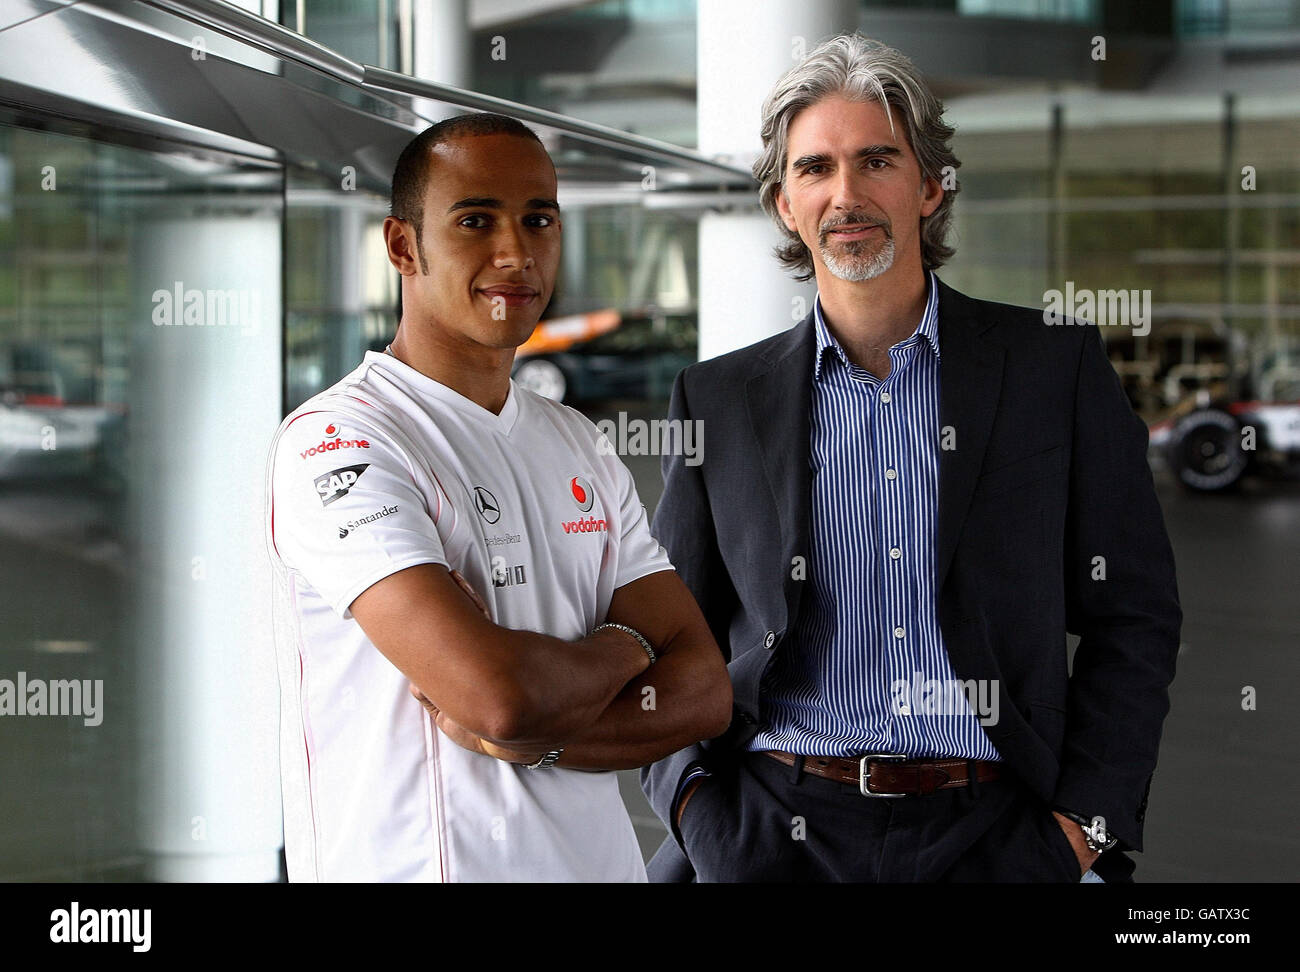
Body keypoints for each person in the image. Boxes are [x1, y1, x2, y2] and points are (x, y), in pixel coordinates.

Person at [640, 34, 1181, 883]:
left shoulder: (1053, 368)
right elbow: (666, 638)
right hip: (772, 834)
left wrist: (1082, 832)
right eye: (815, 168)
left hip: (998, 835)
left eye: (877, 161)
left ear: (931, 186)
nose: (845, 194)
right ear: (786, 203)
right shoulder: (714, 402)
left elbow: (1134, 617)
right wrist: (696, 813)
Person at [265, 113, 731, 882]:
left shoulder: (576, 438)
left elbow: (702, 692)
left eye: (538, 219)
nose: (515, 252)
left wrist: (546, 728)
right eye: (475, 220)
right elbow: (496, 698)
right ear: (402, 246)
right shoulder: (341, 441)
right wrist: (629, 646)